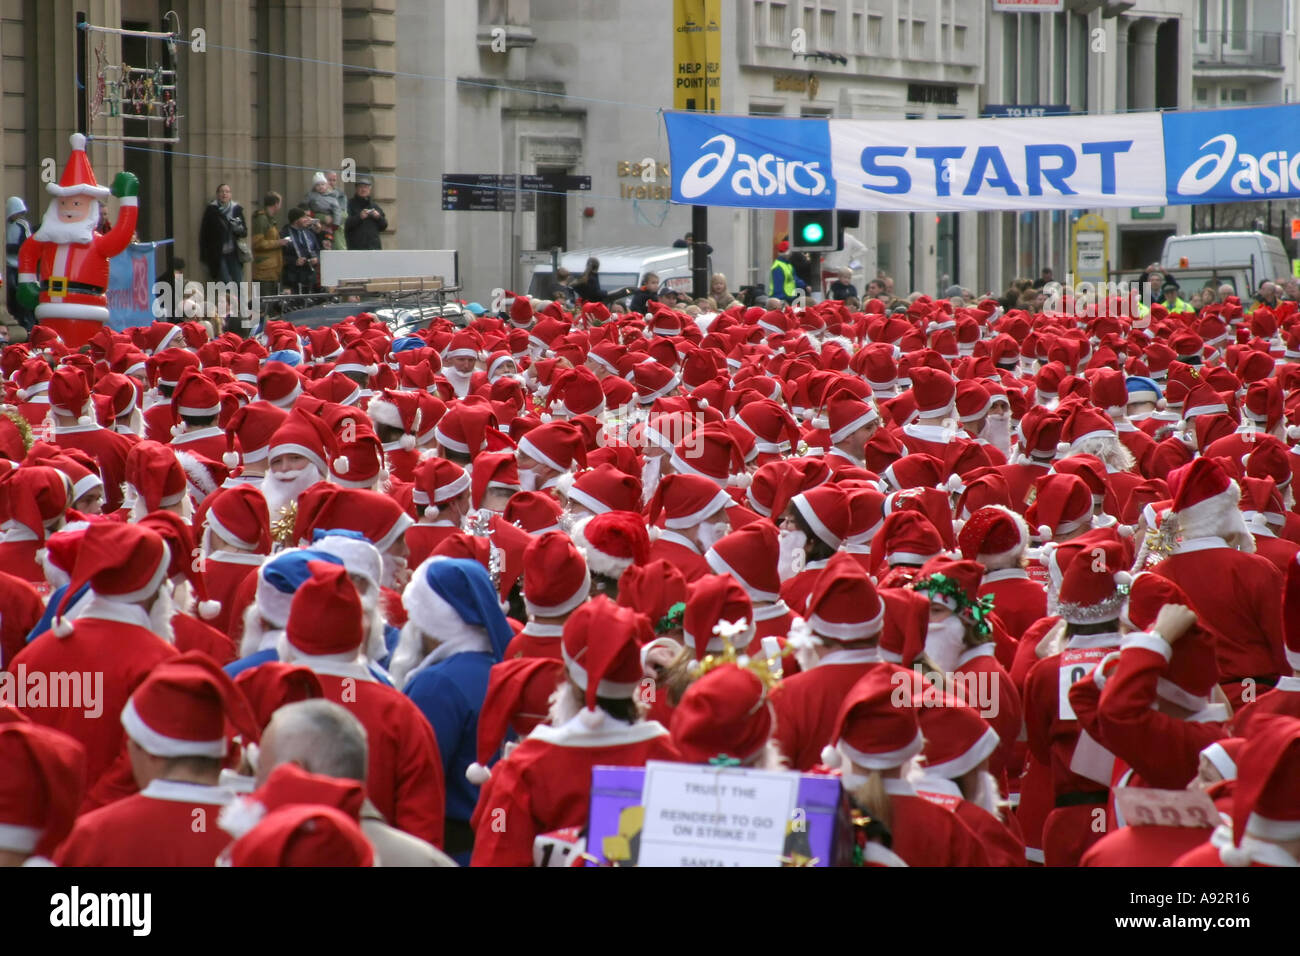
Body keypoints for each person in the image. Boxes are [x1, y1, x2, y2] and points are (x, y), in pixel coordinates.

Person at [256, 699, 456, 866]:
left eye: (261, 772)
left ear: (296, 771)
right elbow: (423, 819)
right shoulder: (431, 862)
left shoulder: (260, 855)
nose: (256, 788)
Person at [198, 183, 247, 284]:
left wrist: (237, 228)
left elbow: (244, 232)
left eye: (227, 192)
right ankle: (231, 299)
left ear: (230, 195)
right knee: (226, 281)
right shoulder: (211, 210)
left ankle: (239, 299)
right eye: (221, 191)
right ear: (217, 194)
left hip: (234, 253)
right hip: (218, 253)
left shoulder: (236, 209)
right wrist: (204, 255)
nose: (224, 194)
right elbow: (204, 234)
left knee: (238, 280)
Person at [250, 191, 289, 299]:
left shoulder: (271, 219)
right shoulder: (261, 219)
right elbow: (257, 243)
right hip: (263, 272)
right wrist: (278, 242)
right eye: (280, 203)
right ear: (276, 204)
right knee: (263, 305)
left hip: (272, 271)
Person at [5, 196, 33, 330]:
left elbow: (27, 244)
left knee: (19, 293)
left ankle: (25, 322)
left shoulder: (22, 224)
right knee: (9, 290)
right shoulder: (5, 224)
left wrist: (10, 248)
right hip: (7, 265)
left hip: (19, 265)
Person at [301, 170, 347, 251]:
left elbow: (344, 215)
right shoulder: (311, 196)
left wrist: (332, 224)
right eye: (329, 180)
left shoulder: (339, 195)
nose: (331, 183)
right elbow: (304, 211)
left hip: (337, 236)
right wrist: (321, 217)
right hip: (317, 232)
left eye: (334, 180)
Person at [281, 206, 321, 296]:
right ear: (296, 221)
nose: (307, 220)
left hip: (309, 276)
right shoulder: (284, 234)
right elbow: (281, 255)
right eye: (304, 218)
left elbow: (317, 249)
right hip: (293, 277)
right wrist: (294, 261)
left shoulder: (309, 233)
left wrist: (316, 258)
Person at [345, 175, 387, 251]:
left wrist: (378, 217)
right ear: (356, 189)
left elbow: (384, 226)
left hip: (374, 248)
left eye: (366, 187)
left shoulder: (374, 206)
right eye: (361, 187)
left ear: (369, 189)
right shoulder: (349, 204)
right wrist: (359, 217)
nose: (363, 189)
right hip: (356, 248)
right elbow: (345, 224)